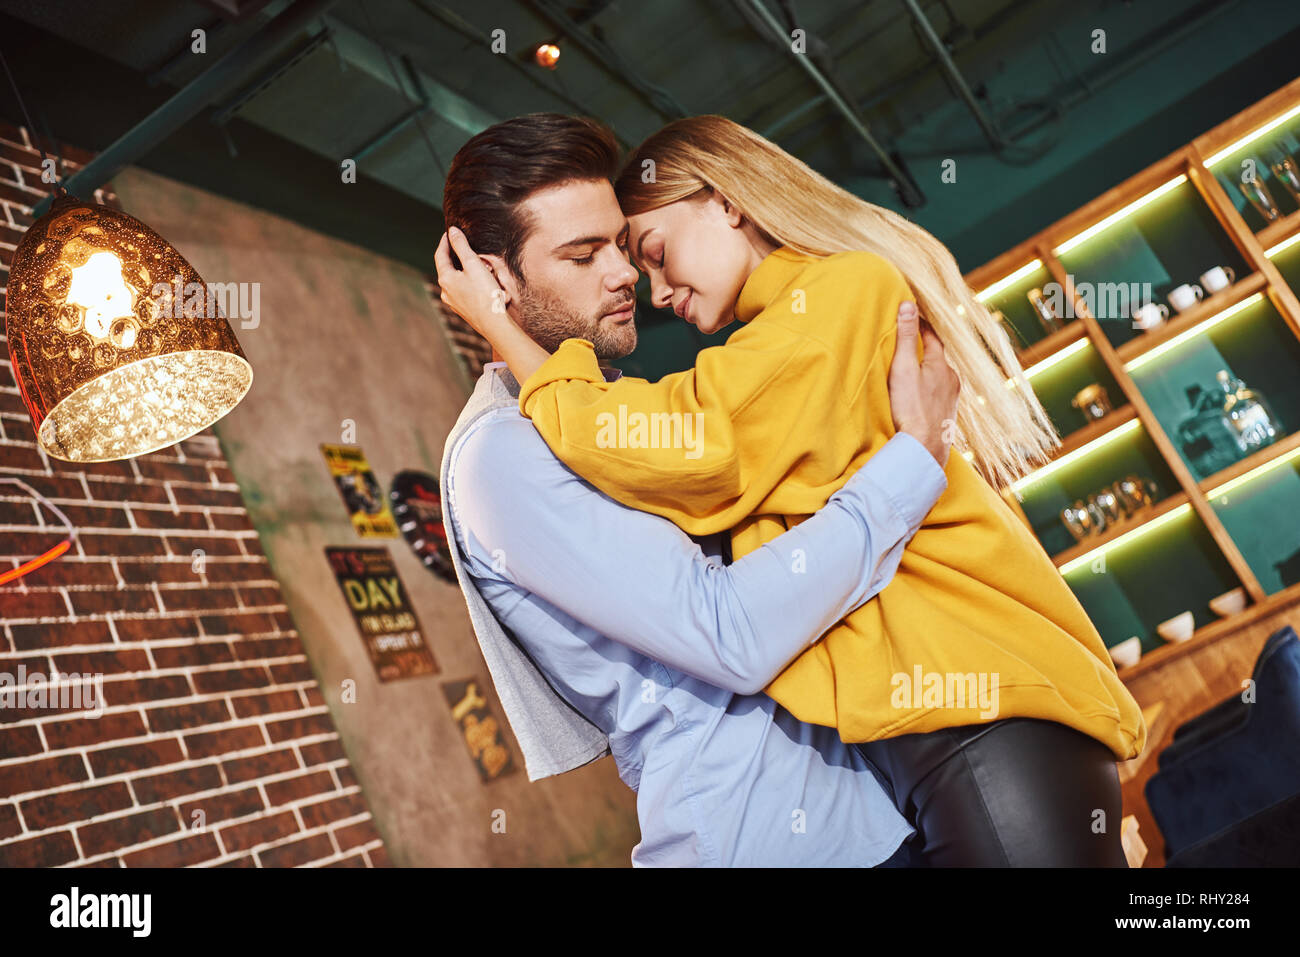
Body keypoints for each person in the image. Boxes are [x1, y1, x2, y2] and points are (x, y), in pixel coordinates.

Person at [437, 113, 1147, 866]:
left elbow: (702, 444)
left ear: (728, 202)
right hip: (783, 830)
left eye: (630, 247)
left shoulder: (815, 307)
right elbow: (730, 633)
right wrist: (913, 459)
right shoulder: (506, 453)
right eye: (586, 255)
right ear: (493, 278)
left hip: (934, 754)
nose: (629, 279)